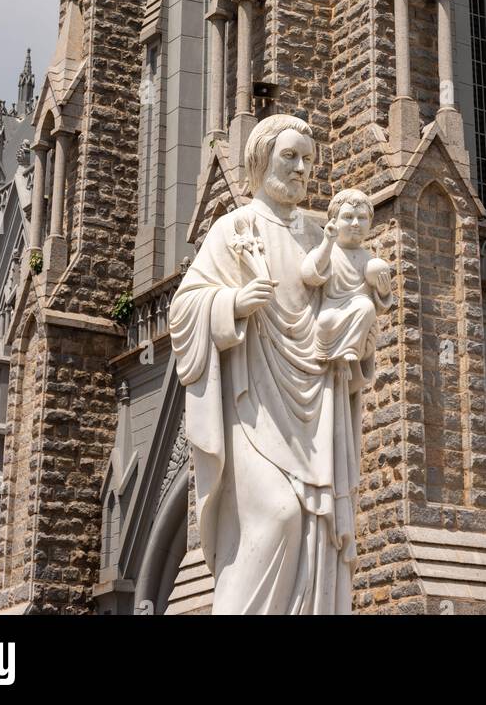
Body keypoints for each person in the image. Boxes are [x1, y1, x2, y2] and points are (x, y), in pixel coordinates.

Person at [169, 115, 379, 615]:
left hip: (316, 401)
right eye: (291, 156)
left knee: (316, 533)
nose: (302, 168)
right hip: (255, 404)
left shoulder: (319, 232)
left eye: (309, 159)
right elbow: (184, 310)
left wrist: (361, 328)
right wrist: (235, 303)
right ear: (262, 159)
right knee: (279, 515)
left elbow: (345, 296)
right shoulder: (233, 228)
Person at [304, 189, 393, 365]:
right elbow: (309, 275)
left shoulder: (368, 258)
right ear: (333, 222)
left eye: (362, 218)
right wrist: (327, 242)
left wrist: (383, 293)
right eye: (347, 217)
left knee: (366, 306)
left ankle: (351, 349)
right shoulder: (328, 250)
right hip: (329, 316)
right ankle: (332, 351)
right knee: (363, 307)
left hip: (359, 320)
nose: (355, 223)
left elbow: (378, 306)